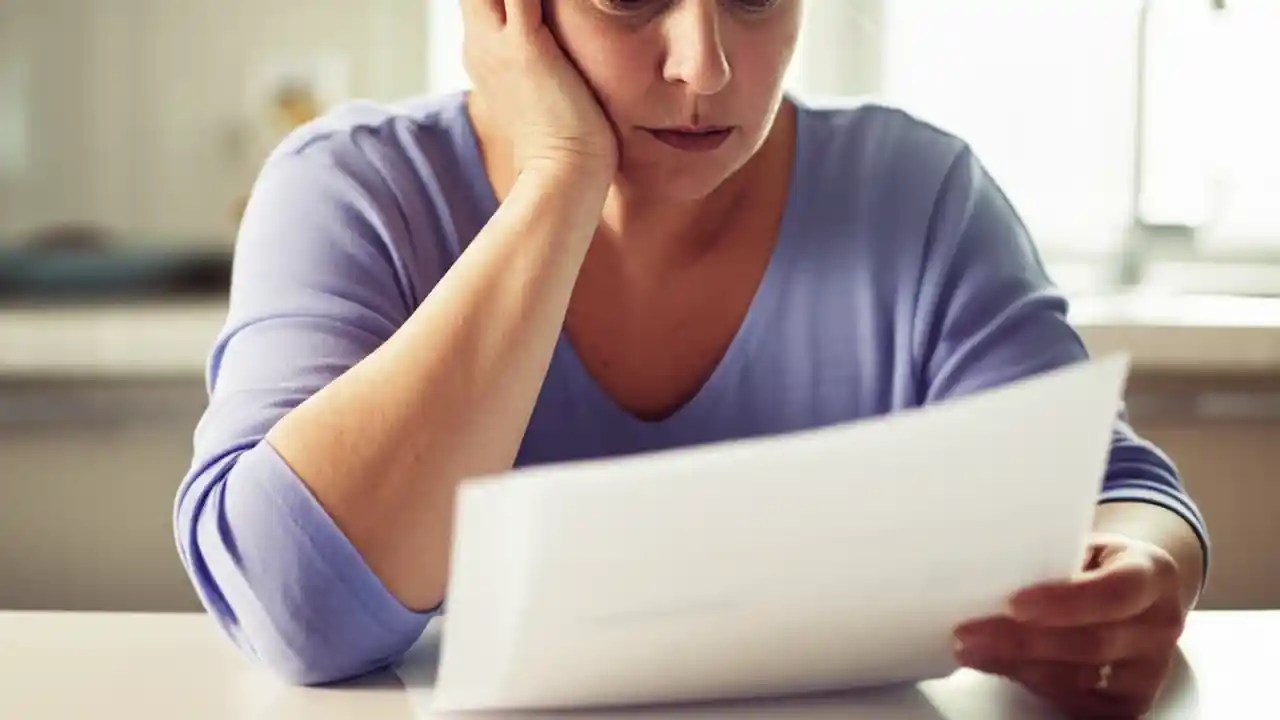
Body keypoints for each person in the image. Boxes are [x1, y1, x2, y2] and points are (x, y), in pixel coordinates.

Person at [174, 1, 1208, 717]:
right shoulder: (352, 188)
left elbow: (1107, 489)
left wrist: (1135, 569)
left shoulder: (915, 194)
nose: (703, 67)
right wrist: (561, 180)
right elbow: (292, 605)